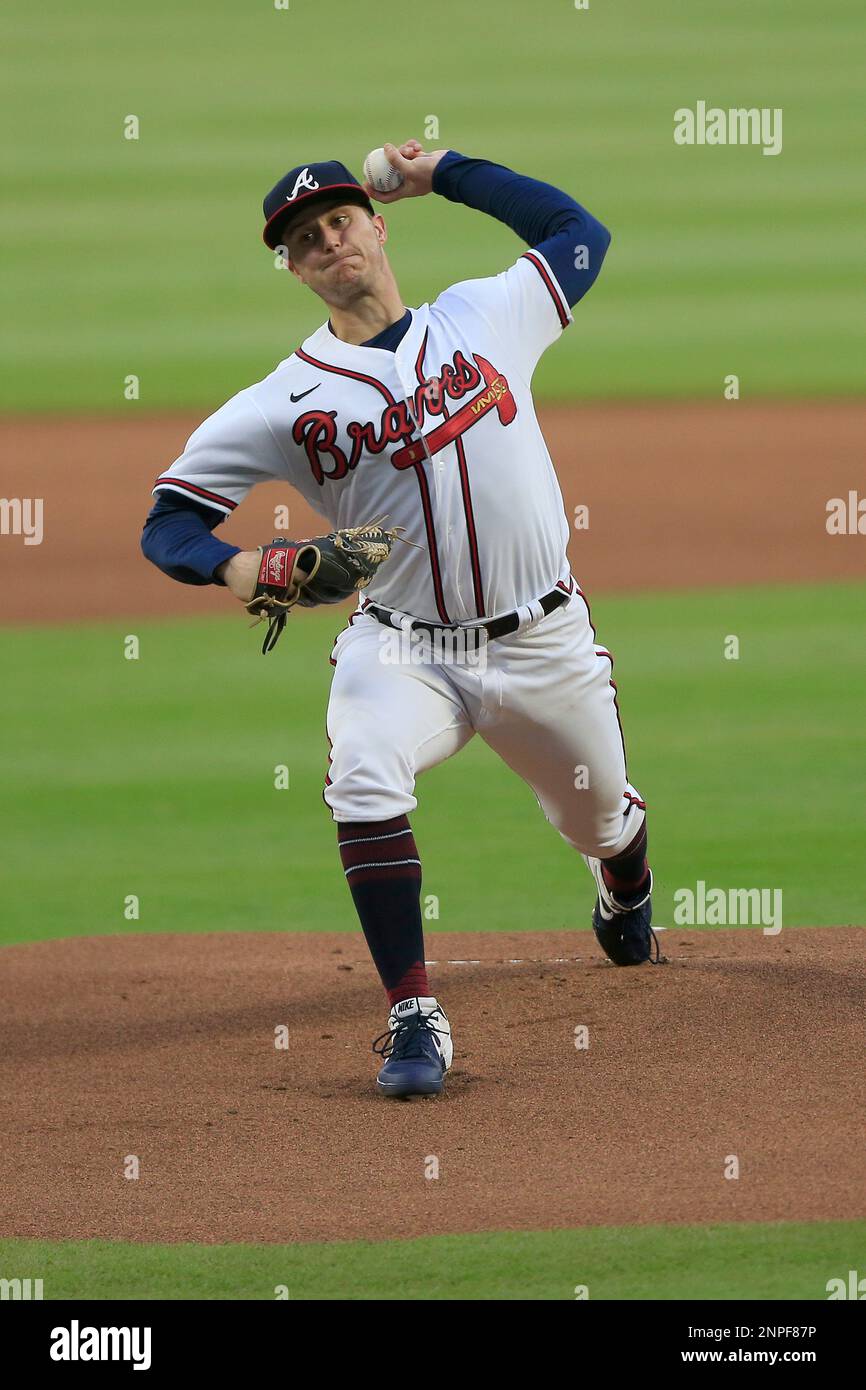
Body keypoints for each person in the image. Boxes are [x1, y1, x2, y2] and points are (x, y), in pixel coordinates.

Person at [141, 140, 659, 1101]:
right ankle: (413, 1012)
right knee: (362, 772)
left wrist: (448, 170)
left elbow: (577, 233)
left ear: (377, 229)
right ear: (294, 270)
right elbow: (168, 522)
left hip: (542, 640)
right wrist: (247, 564)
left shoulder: (485, 314)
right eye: (306, 239)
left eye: (340, 220)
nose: (330, 241)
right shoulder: (281, 405)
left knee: (600, 818)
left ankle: (623, 882)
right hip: (403, 644)